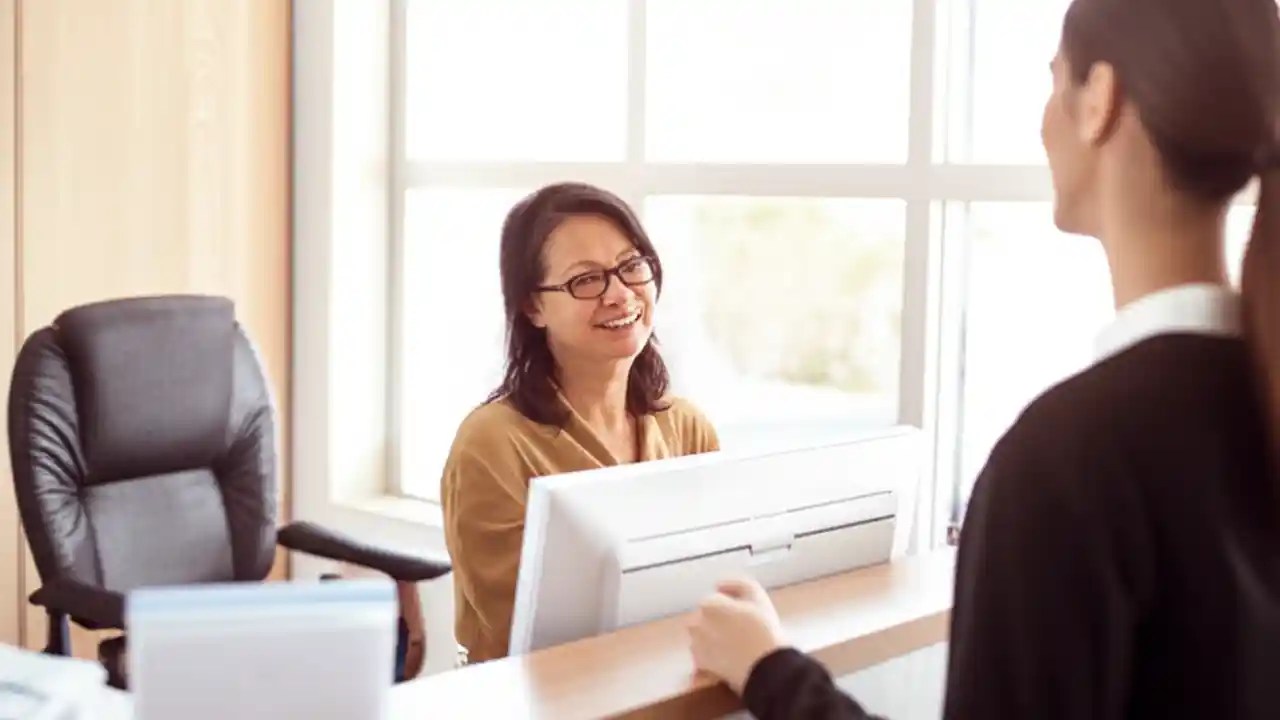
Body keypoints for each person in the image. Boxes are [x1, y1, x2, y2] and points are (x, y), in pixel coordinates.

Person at [688, 0, 1280, 717]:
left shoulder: (1068, 462)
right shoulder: (1252, 406)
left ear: (1100, 100)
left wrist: (770, 671)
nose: (1040, 122)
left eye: (1052, 79)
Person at [440, 182, 720, 664]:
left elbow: (719, 583)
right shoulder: (492, 443)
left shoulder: (687, 426)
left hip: (673, 688)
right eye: (585, 280)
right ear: (533, 307)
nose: (619, 294)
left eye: (631, 266)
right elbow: (527, 633)